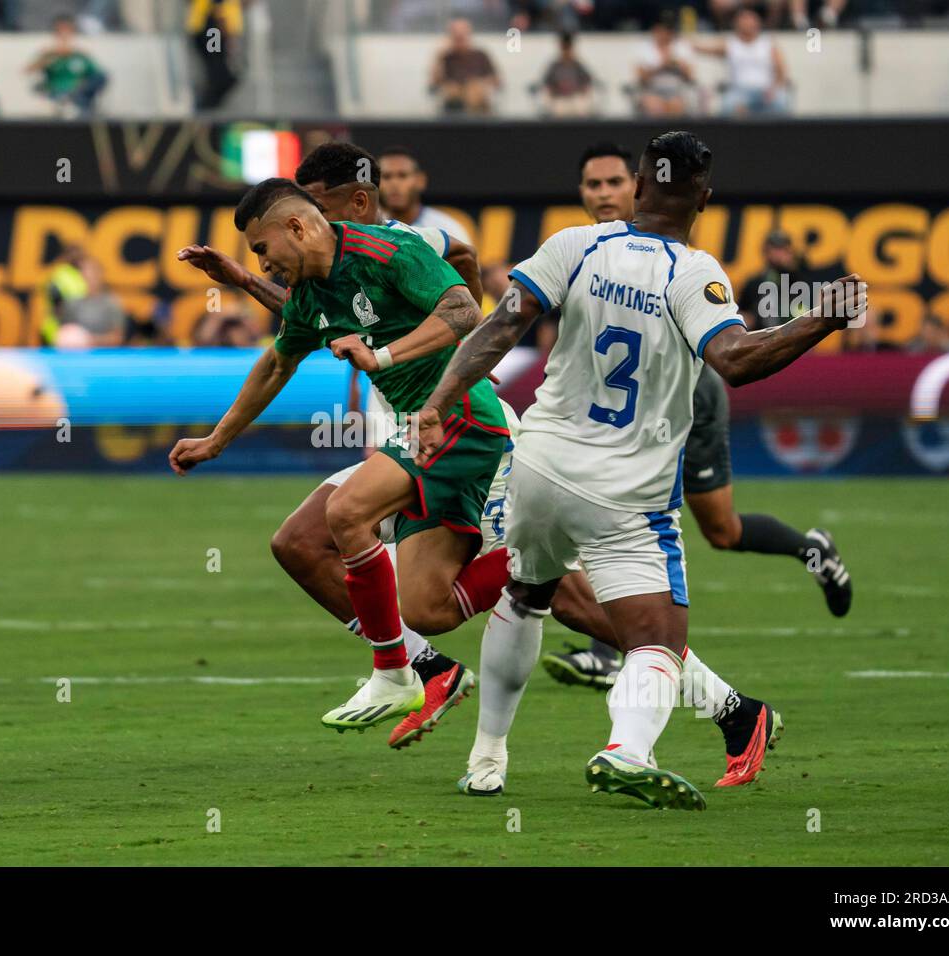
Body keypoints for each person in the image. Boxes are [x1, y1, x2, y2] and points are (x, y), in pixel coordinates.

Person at [413, 130, 866, 807]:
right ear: (704, 200)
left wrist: (436, 402)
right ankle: (626, 749)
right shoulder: (694, 272)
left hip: (538, 463)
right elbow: (737, 361)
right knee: (656, 637)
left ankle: (486, 760)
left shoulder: (575, 245)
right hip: (625, 491)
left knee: (526, 596)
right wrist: (819, 320)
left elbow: (501, 325)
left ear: (639, 187)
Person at [169, 177, 510, 735]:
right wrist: (217, 440)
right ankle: (544, 556)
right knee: (429, 607)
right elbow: (277, 366)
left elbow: (463, 310)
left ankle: (394, 670)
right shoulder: (309, 296)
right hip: (423, 433)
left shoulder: (386, 251)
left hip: (460, 417)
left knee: (347, 512)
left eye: (262, 249)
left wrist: (383, 355)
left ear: (298, 227)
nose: (265, 263)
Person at [540, 143, 852, 698]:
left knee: (688, 522)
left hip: (683, 397)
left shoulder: (677, 251)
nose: (604, 194)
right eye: (593, 186)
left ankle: (616, 651)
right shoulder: (583, 249)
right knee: (707, 527)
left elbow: (723, 348)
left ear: (636, 187)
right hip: (619, 414)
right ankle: (811, 549)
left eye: (614, 181)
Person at [696, 8, 789, 117]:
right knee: (728, 105)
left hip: (766, 89)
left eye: (750, 19)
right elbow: (707, 48)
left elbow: (781, 71)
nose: (746, 22)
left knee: (780, 102)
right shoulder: (730, 44)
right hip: (739, 91)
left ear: (757, 22)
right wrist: (687, 43)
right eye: (743, 19)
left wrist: (774, 88)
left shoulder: (768, 44)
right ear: (736, 23)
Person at [377, 145, 471, 243]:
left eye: (402, 176)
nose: (394, 183)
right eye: (386, 176)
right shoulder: (367, 228)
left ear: (421, 181)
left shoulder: (447, 230)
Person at [28, 14, 108, 118]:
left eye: (67, 30)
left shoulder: (79, 54)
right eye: (60, 30)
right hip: (57, 92)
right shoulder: (49, 53)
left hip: (78, 94)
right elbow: (29, 70)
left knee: (98, 80)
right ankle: (68, 103)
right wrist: (50, 56)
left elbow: (97, 75)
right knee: (65, 102)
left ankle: (74, 102)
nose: (64, 34)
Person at [737, 229, 814, 330]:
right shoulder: (754, 283)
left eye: (783, 249)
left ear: (790, 252)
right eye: (774, 249)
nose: (778, 254)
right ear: (765, 252)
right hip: (762, 338)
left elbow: (810, 314)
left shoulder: (800, 280)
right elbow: (742, 313)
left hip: (794, 338)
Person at [429, 17, 500, 115]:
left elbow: (496, 80)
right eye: (456, 35)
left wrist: (479, 84)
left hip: (478, 101)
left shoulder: (480, 55)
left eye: (462, 35)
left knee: (474, 90)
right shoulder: (445, 57)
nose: (460, 39)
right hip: (453, 102)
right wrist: (439, 56)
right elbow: (433, 83)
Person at [634, 16, 697, 117]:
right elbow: (642, 78)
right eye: (660, 31)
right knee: (655, 107)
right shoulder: (644, 49)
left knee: (676, 106)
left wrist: (677, 64)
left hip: (676, 92)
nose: (663, 35)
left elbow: (690, 77)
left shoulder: (681, 48)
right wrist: (661, 66)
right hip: (652, 91)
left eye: (667, 31)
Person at [537, 32, 594, 117]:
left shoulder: (577, 65)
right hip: (559, 98)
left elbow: (587, 81)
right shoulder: (555, 66)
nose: (566, 51)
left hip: (575, 97)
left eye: (568, 48)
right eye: (564, 48)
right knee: (558, 109)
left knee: (581, 106)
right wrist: (555, 90)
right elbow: (547, 83)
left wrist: (580, 89)